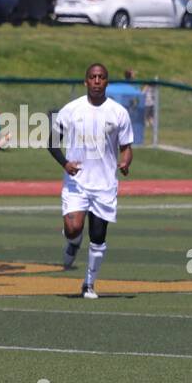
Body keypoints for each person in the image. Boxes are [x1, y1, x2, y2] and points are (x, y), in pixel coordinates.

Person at [49, 63, 133, 299]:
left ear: (107, 82)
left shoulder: (118, 113)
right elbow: (52, 142)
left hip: (105, 185)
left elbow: (127, 148)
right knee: (73, 227)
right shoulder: (71, 110)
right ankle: (73, 242)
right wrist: (65, 164)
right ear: (85, 81)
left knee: (98, 236)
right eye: (93, 77)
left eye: (102, 77)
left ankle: (88, 283)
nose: (97, 81)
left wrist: (126, 162)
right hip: (76, 182)